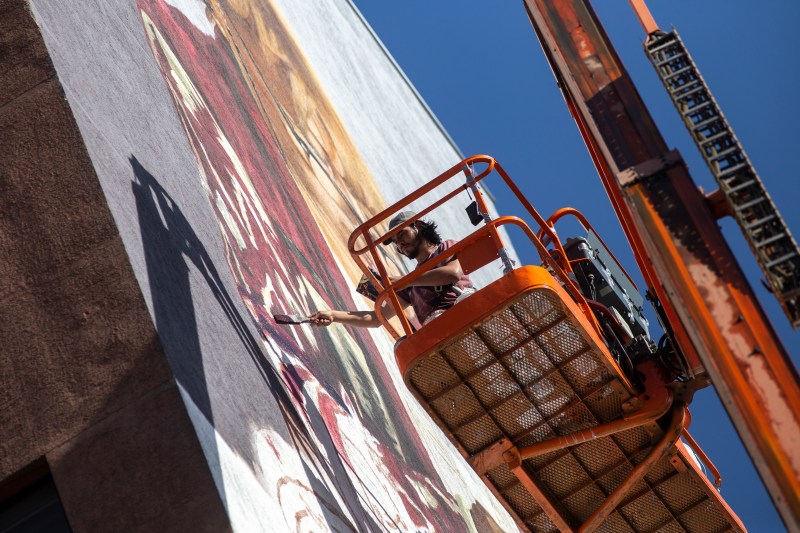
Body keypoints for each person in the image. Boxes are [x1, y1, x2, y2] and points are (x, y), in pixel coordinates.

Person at [309, 211, 474, 329]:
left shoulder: (445, 248)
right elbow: (375, 319)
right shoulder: (410, 286)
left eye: (402, 234)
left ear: (419, 226)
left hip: (465, 311)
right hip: (440, 332)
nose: (399, 244)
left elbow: (452, 274)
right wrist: (333, 315)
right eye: (395, 242)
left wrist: (406, 281)